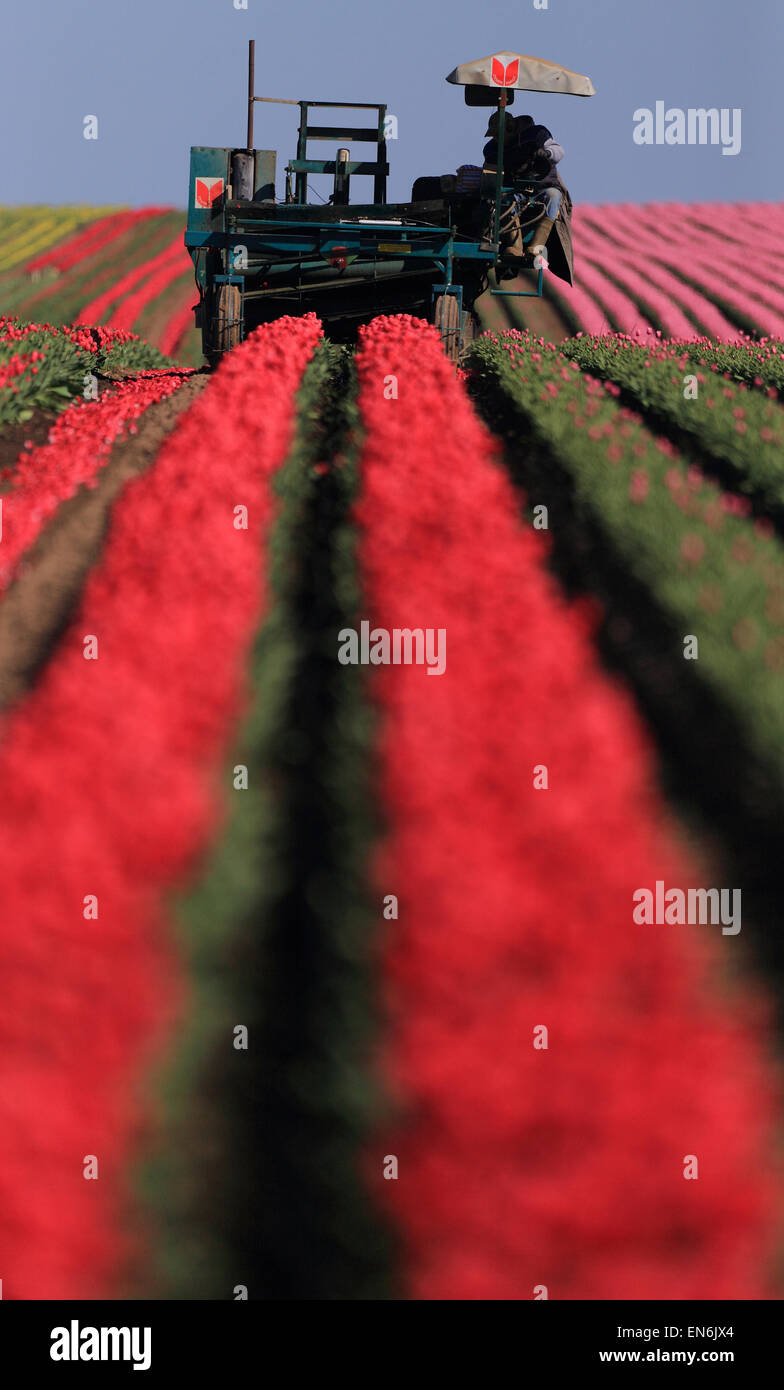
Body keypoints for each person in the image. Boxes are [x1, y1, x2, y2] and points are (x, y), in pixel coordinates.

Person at [482, 112, 566, 263]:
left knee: (553, 196)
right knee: (507, 201)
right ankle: (515, 246)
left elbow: (559, 151)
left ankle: (536, 247)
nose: (495, 139)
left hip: (543, 187)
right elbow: (490, 171)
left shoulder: (538, 134)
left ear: (510, 128)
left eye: (498, 134)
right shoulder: (491, 149)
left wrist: (546, 153)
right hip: (515, 191)